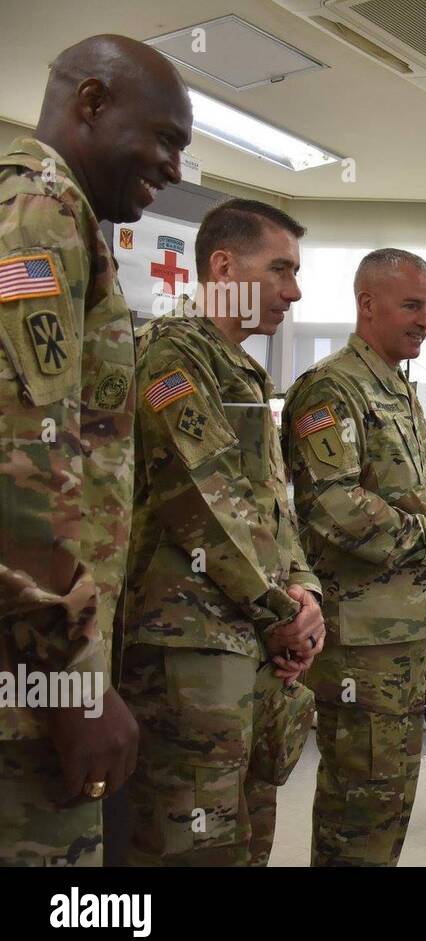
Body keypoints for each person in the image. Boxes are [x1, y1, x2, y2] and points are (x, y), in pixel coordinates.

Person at [0, 35, 190, 867]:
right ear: (91, 103)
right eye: (164, 140)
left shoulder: (61, 215)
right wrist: (69, 680)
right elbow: (21, 459)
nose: (174, 169)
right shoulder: (41, 209)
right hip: (28, 677)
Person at [119, 199, 324, 866]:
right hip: (190, 644)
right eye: (281, 270)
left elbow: (270, 501)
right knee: (191, 841)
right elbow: (199, 498)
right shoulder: (168, 355)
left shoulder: (241, 369)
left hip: (251, 640)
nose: (294, 291)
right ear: (224, 266)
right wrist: (279, 613)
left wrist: (303, 588)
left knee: (246, 832)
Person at [282, 248, 426, 866]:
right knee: (360, 798)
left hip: (399, 627)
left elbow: (400, 492)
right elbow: (333, 505)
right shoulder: (330, 388)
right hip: (358, 636)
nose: (425, 320)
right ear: (367, 304)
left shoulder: (395, 387)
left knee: (387, 790)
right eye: (412, 304)